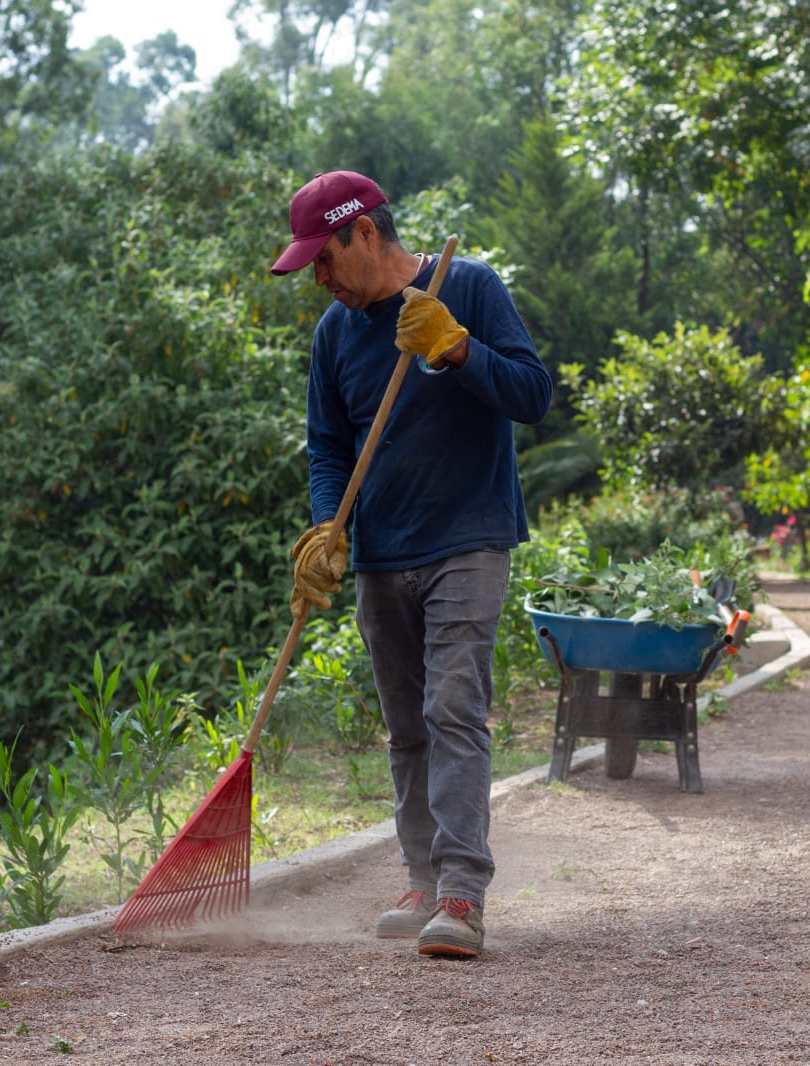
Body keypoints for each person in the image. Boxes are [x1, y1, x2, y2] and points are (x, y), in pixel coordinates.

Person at [270, 170, 552, 958]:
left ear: (364, 233)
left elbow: (533, 395)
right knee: (405, 728)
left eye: (322, 260)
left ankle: (462, 895)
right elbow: (329, 445)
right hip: (381, 552)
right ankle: (421, 877)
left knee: (452, 709)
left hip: (469, 538)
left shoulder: (468, 287)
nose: (319, 281)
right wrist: (329, 526)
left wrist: (458, 348)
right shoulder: (336, 335)